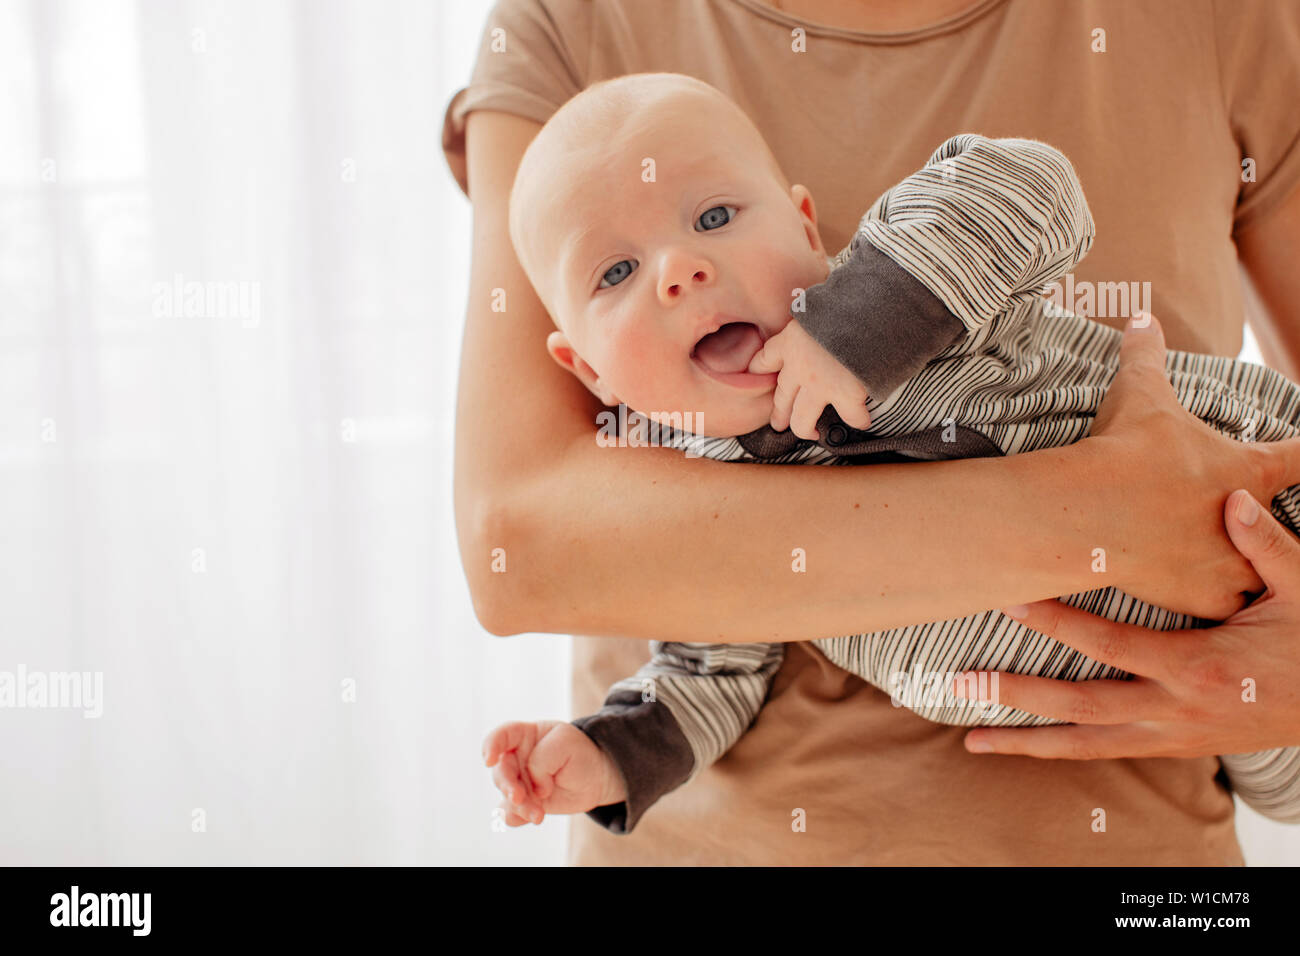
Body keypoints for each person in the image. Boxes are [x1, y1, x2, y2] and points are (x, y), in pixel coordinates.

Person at [442, 0, 1300, 863]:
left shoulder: (911, 292)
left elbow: (1033, 190)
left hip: (1267, 511)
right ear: (586, 369)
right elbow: (708, 673)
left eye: (714, 219)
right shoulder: (681, 480)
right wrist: (605, 758)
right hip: (1175, 687)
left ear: (807, 225)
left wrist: (856, 331)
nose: (681, 270)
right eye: (617, 272)